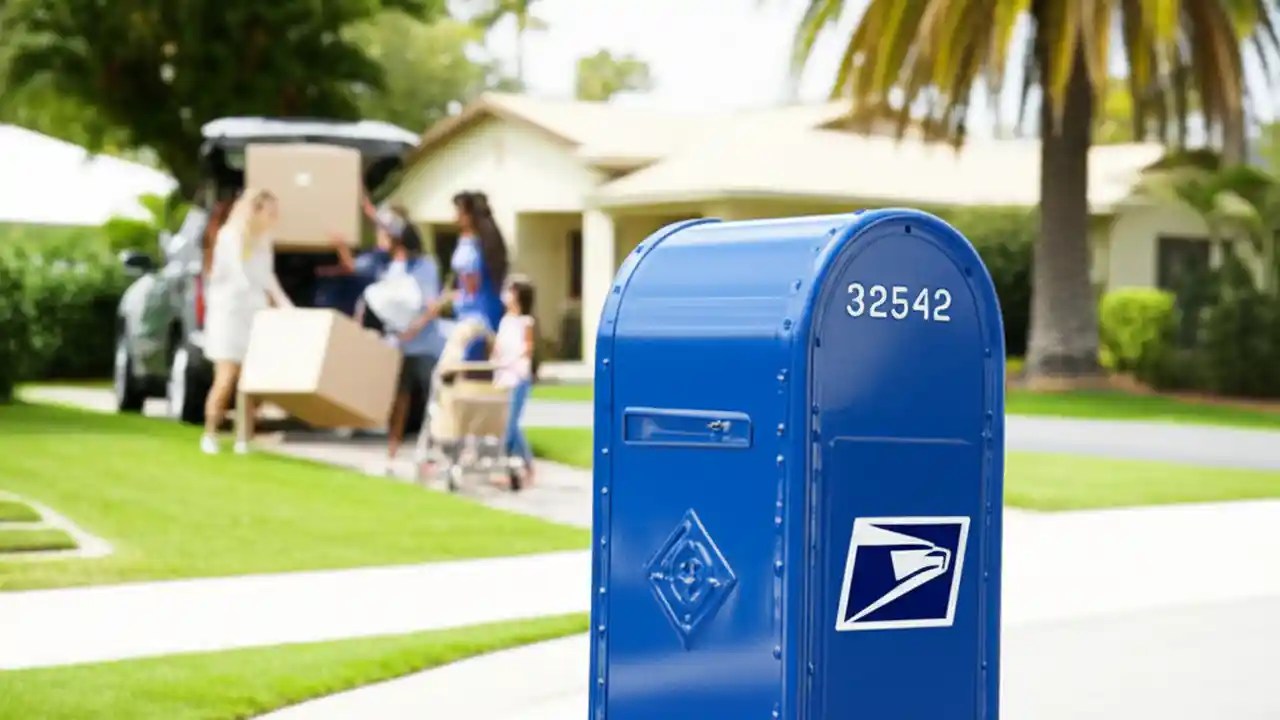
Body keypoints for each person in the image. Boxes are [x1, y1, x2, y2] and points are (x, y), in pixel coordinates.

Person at [201, 188, 294, 455]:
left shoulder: (264, 241)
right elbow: (237, 276)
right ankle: (210, 433)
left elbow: (268, 278)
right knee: (226, 376)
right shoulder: (230, 237)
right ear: (255, 210)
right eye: (270, 211)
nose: (274, 217)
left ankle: (244, 438)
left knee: (249, 381)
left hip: (254, 315)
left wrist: (286, 307)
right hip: (229, 314)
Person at [367, 217, 445, 474]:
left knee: (432, 399)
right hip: (399, 345)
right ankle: (392, 449)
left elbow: (432, 306)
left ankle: (436, 449)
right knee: (399, 398)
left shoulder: (425, 266)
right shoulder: (393, 267)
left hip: (424, 345)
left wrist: (414, 329)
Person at [491, 274, 537, 486]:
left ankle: (524, 466)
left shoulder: (525, 322)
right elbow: (497, 348)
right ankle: (515, 467)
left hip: (517, 376)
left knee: (511, 426)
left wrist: (512, 361)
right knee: (503, 426)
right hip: (502, 377)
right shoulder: (505, 321)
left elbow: (527, 348)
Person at [450, 192, 508, 331]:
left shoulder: (477, 247)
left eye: (460, 212)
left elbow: (471, 286)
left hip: (477, 315)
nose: (455, 217)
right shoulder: (469, 242)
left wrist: (445, 299)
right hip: (470, 312)